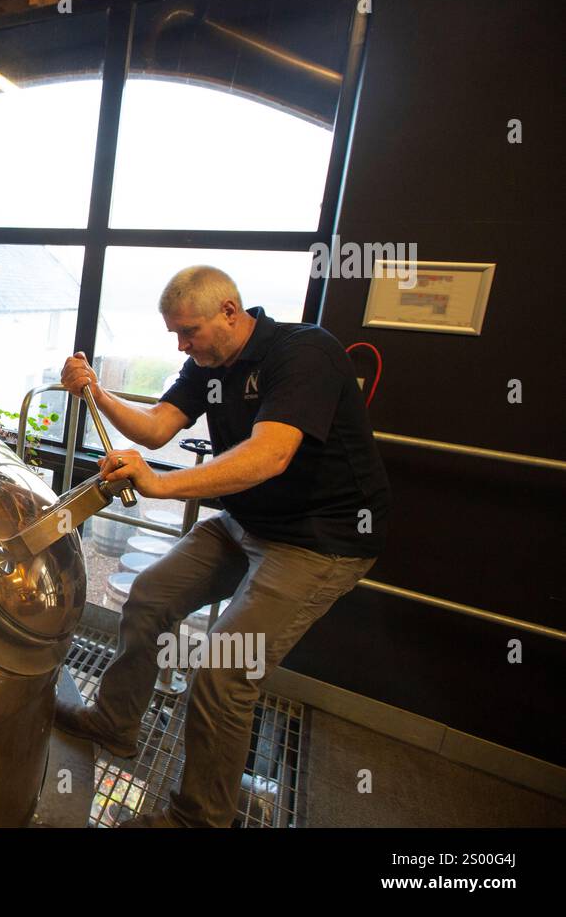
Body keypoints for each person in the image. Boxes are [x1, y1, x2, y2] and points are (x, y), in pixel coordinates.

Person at [56, 265, 390, 828]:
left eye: (188, 332)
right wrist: (94, 390)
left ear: (230, 313)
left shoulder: (304, 354)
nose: (182, 346)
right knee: (149, 595)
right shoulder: (206, 364)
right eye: (175, 336)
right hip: (247, 524)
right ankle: (114, 722)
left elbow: (270, 455)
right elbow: (159, 427)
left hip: (321, 539)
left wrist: (160, 483)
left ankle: (200, 818)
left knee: (223, 669)